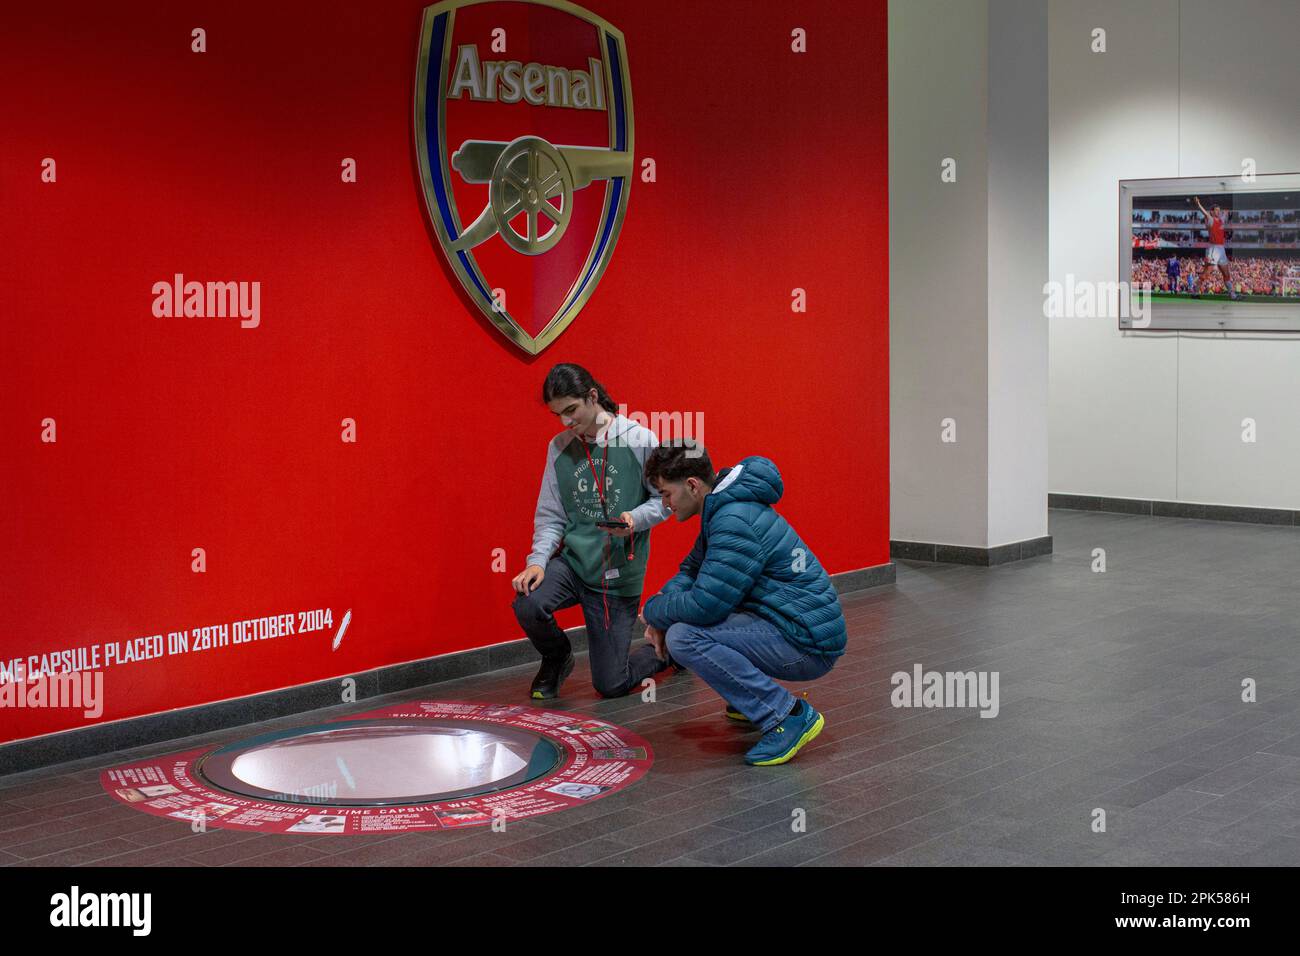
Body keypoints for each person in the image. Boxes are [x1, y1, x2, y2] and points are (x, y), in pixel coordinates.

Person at [639, 441, 846, 766]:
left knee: (684, 636)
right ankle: (747, 700)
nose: (665, 504)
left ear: (692, 485)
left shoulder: (733, 519)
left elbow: (706, 605)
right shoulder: (722, 507)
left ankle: (786, 715)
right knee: (685, 622)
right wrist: (664, 602)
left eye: (666, 493)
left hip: (808, 644)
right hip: (788, 624)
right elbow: (691, 570)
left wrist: (654, 612)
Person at [511, 364, 672, 700]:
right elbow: (551, 515)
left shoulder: (641, 439)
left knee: (611, 684)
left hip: (617, 575)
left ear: (592, 396)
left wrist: (634, 519)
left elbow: (664, 502)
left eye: (571, 410)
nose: (566, 422)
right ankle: (557, 658)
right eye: (558, 415)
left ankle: (666, 649)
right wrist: (537, 561)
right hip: (573, 565)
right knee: (528, 602)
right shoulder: (558, 447)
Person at [1194, 196, 1237, 299]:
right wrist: (1198, 204)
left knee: (1226, 273)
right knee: (1206, 273)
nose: (1218, 212)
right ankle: (1195, 292)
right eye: (1216, 210)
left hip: (1221, 249)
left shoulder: (1221, 220)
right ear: (1212, 212)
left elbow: (1226, 213)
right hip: (1213, 249)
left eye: (1219, 210)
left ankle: (1233, 295)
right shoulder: (1210, 219)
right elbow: (1204, 213)